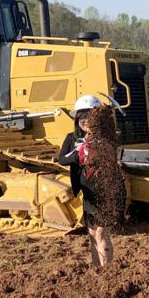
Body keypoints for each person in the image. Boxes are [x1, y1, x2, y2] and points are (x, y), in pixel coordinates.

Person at [58, 94, 120, 267]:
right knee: (92, 233)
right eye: (82, 117)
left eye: (90, 117)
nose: (86, 120)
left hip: (104, 192)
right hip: (88, 194)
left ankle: (107, 269)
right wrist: (78, 150)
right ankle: (97, 269)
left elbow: (111, 158)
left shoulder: (106, 139)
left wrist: (95, 143)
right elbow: (62, 159)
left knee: (101, 234)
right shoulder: (72, 139)